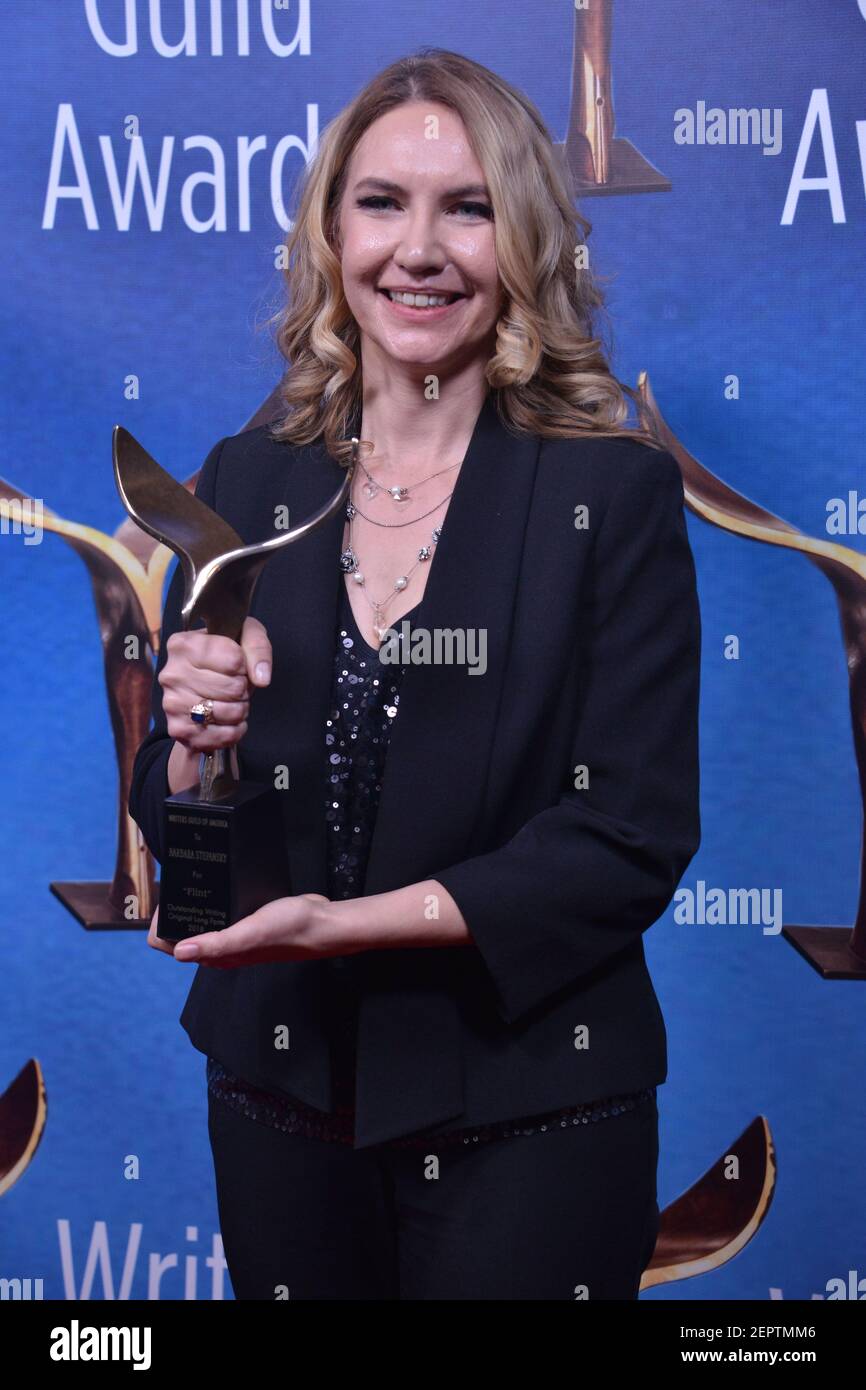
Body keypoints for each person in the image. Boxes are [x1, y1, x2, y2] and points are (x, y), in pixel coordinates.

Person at [129, 47, 701, 1301]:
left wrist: (350, 928)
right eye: (382, 203)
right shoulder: (247, 479)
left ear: (527, 242)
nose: (418, 249)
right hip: (281, 1104)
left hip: (529, 1110)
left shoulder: (611, 492)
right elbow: (185, 835)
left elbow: (629, 834)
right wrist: (191, 745)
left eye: (469, 207)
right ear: (332, 232)